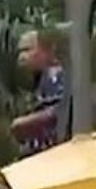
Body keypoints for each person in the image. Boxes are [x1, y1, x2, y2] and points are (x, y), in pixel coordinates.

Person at [11, 29, 66, 157]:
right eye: (20, 52)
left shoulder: (55, 74)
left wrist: (24, 123)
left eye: (27, 50)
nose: (21, 57)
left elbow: (60, 110)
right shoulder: (37, 81)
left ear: (44, 50)